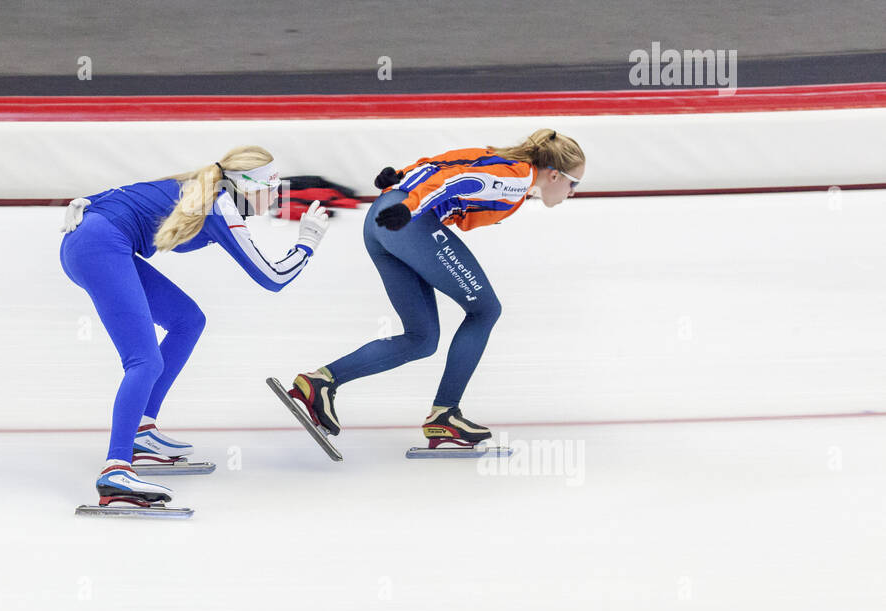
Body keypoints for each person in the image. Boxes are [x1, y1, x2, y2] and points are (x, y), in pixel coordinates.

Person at [60, 145, 329, 507]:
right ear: (249, 188)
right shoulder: (220, 204)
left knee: (188, 320)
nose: (278, 196)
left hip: (93, 240)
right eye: (273, 187)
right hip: (98, 245)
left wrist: (86, 202)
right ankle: (115, 470)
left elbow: (134, 194)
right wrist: (308, 242)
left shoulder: (203, 187)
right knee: (145, 361)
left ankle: (141, 430)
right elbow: (272, 277)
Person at [284, 128, 585, 449]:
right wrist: (410, 206)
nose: (573, 192)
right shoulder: (517, 179)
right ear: (554, 175)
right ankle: (445, 414)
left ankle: (321, 382)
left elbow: (446, 163)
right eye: (573, 183)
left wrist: (401, 175)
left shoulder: (504, 163)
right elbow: (455, 182)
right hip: (407, 221)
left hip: (382, 220)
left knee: (422, 338)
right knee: (485, 310)